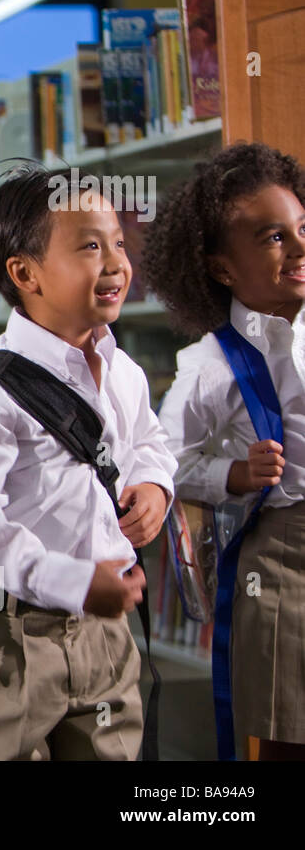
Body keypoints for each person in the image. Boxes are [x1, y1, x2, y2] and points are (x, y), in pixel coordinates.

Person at [0, 169, 176, 760]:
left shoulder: (124, 372)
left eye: (118, 241)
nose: (116, 262)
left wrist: (154, 486)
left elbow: (149, 441)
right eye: (90, 246)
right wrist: (71, 582)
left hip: (104, 636)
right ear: (25, 273)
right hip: (5, 640)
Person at [145, 143, 305, 760]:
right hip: (282, 561)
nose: (295, 247)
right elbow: (165, 461)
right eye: (271, 237)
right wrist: (234, 473)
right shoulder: (211, 365)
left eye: (301, 228)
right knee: (288, 721)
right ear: (220, 267)